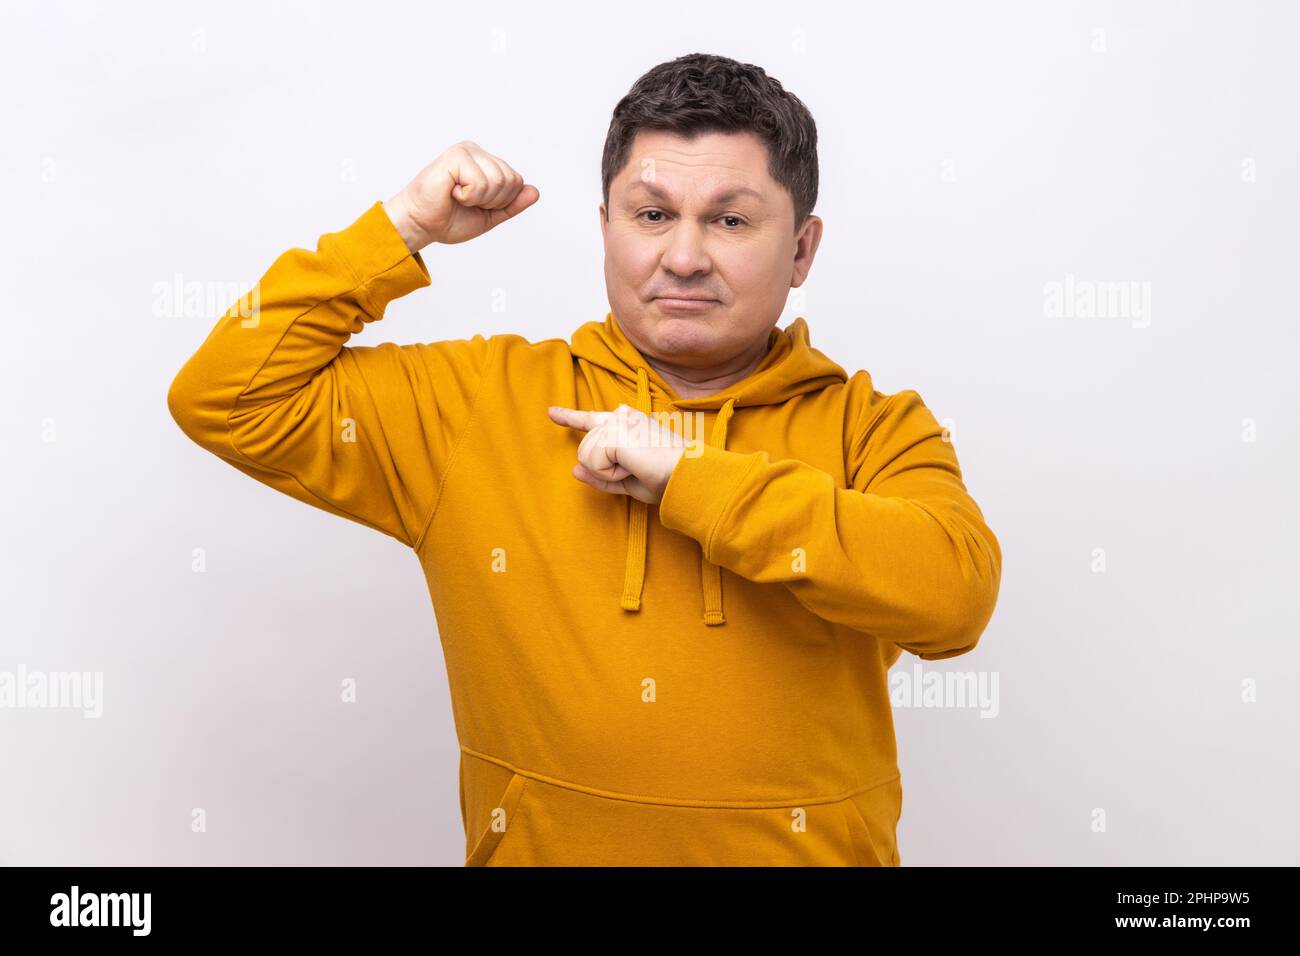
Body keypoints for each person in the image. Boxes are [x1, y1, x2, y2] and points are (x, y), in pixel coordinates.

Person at [167, 52, 1002, 866]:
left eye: (731, 219)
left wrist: (691, 477)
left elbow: (954, 597)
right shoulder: (477, 401)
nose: (683, 257)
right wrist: (400, 229)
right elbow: (224, 395)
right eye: (650, 215)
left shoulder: (874, 427)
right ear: (605, 228)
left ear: (802, 250)